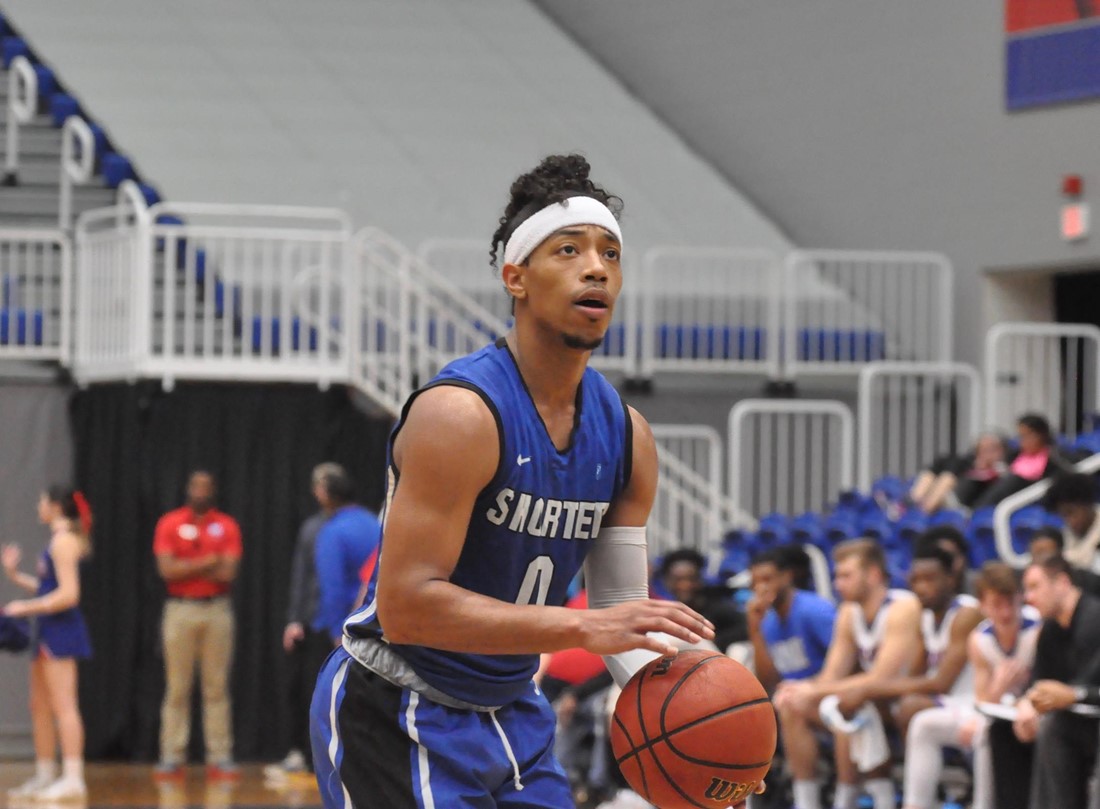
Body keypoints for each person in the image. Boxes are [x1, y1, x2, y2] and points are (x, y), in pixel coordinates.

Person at [309, 155, 727, 809]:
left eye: (611, 254)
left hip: (513, 713)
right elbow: (407, 609)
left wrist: (702, 729)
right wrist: (580, 628)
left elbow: (620, 609)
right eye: (569, 250)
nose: (596, 268)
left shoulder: (629, 437)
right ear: (516, 277)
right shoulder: (461, 415)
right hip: (398, 708)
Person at [773, 538, 921, 809]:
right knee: (793, 704)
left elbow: (883, 679)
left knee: (845, 703)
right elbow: (832, 674)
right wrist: (799, 688)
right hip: (871, 699)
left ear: (873, 574)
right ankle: (807, 802)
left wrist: (814, 689)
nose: (837, 584)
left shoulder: (902, 607)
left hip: (906, 699)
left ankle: (853, 799)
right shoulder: (848, 611)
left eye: (846, 576)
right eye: (836, 576)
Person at [837, 542, 980, 809]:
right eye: (915, 580)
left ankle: (925, 797)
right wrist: (869, 694)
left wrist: (869, 688)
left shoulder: (966, 613)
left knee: (908, 706)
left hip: (970, 702)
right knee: (868, 706)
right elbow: (914, 675)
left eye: (929, 579)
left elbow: (940, 683)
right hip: (943, 704)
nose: (921, 587)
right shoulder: (925, 617)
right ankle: (880, 798)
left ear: (950, 579)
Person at [1, 486, 93, 801]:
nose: (38, 505)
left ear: (55, 506)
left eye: (42, 500)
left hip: (62, 630)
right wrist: (15, 576)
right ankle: (44, 775)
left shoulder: (64, 542)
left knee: (64, 706)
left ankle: (73, 778)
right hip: (47, 629)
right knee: (39, 705)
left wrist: (25, 608)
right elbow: (47, 588)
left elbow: (69, 595)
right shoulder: (56, 540)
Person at [153, 470, 243, 781]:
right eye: (195, 486)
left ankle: (220, 755)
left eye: (206, 486)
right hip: (180, 610)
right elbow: (167, 570)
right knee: (177, 686)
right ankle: (171, 755)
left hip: (217, 610)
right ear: (187, 488)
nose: (200, 491)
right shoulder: (170, 523)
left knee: (216, 686)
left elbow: (228, 572)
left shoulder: (227, 525)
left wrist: (187, 566)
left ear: (213, 490)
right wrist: (208, 562)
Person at [269, 463, 347, 780]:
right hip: (315, 624)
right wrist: (294, 619)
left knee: (341, 695)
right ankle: (301, 752)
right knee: (306, 690)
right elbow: (301, 577)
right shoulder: (312, 528)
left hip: (346, 626)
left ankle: (340, 757)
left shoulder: (353, 525)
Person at [964, 561, 1040, 809]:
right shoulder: (979, 640)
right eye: (997, 604)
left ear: (1020, 598)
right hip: (1002, 712)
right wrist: (999, 686)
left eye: (1011, 603)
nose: (1006, 612)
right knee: (983, 731)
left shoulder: (1037, 630)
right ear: (982, 605)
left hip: (1037, 710)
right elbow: (983, 701)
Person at [746, 546, 836, 694]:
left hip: (825, 692)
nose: (760, 588)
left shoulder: (814, 609)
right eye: (754, 583)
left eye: (767, 579)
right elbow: (767, 683)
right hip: (789, 697)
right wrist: (755, 630)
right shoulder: (766, 622)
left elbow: (849, 662)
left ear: (787, 576)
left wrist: (812, 688)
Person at [311, 466, 381, 644]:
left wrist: (337, 633)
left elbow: (333, 589)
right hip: (380, 625)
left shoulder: (332, 533)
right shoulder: (375, 522)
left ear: (323, 494)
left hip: (350, 628)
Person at [970, 413, 1071, 510]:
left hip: (1029, 498)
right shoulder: (1014, 455)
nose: (1022, 441)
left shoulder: (1054, 458)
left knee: (1013, 480)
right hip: (1005, 497)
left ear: (1040, 435)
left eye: (1025, 436)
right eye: (1020, 436)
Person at [658, 548, 747, 655]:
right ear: (667, 581)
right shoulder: (667, 611)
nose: (685, 585)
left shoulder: (717, 606)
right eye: (678, 579)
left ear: (699, 579)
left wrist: (715, 641)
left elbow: (746, 628)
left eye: (691, 579)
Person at [908, 432, 1008, 514]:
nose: (985, 454)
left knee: (956, 466)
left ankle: (922, 510)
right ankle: (913, 500)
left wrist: (984, 468)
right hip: (945, 494)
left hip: (959, 502)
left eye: (990, 450)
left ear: (1001, 451)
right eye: (982, 450)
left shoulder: (1001, 469)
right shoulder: (969, 463)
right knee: (944, 461)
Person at [1042, 472, 1100, 572]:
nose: (1069, 521)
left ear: (1087, 504)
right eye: (1063, 515)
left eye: (1071, 512)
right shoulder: (1066, 536)